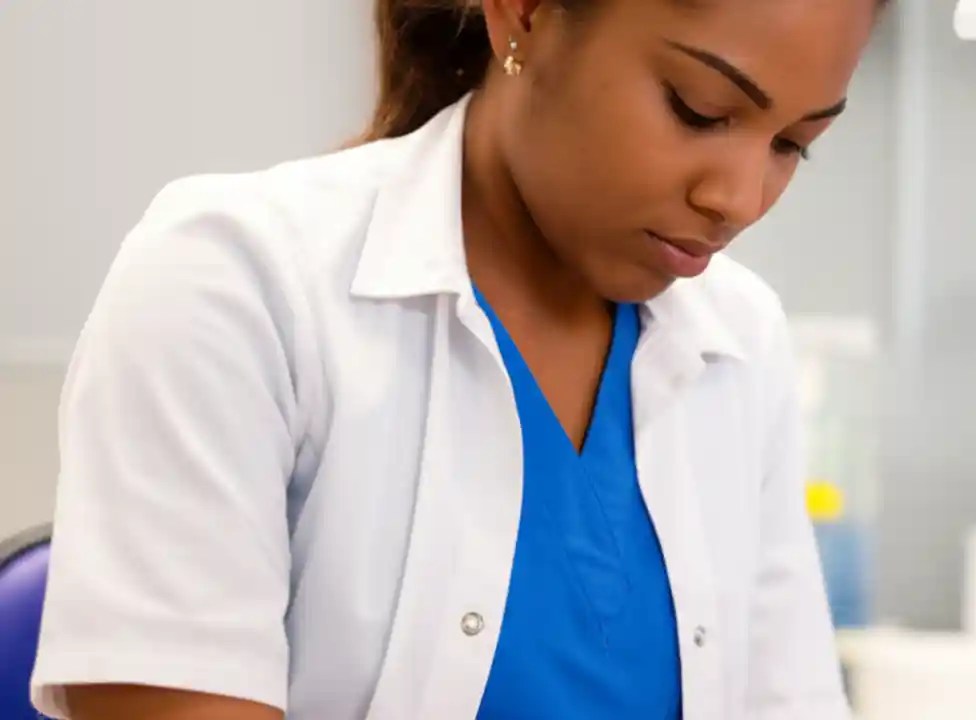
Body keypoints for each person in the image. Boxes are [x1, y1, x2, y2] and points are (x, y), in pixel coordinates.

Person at [30, 0, 883, 716]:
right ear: (524, 13)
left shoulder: (741, 340)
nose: (738, 198)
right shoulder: (235, 282)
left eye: (792, 145)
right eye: (697, 108)